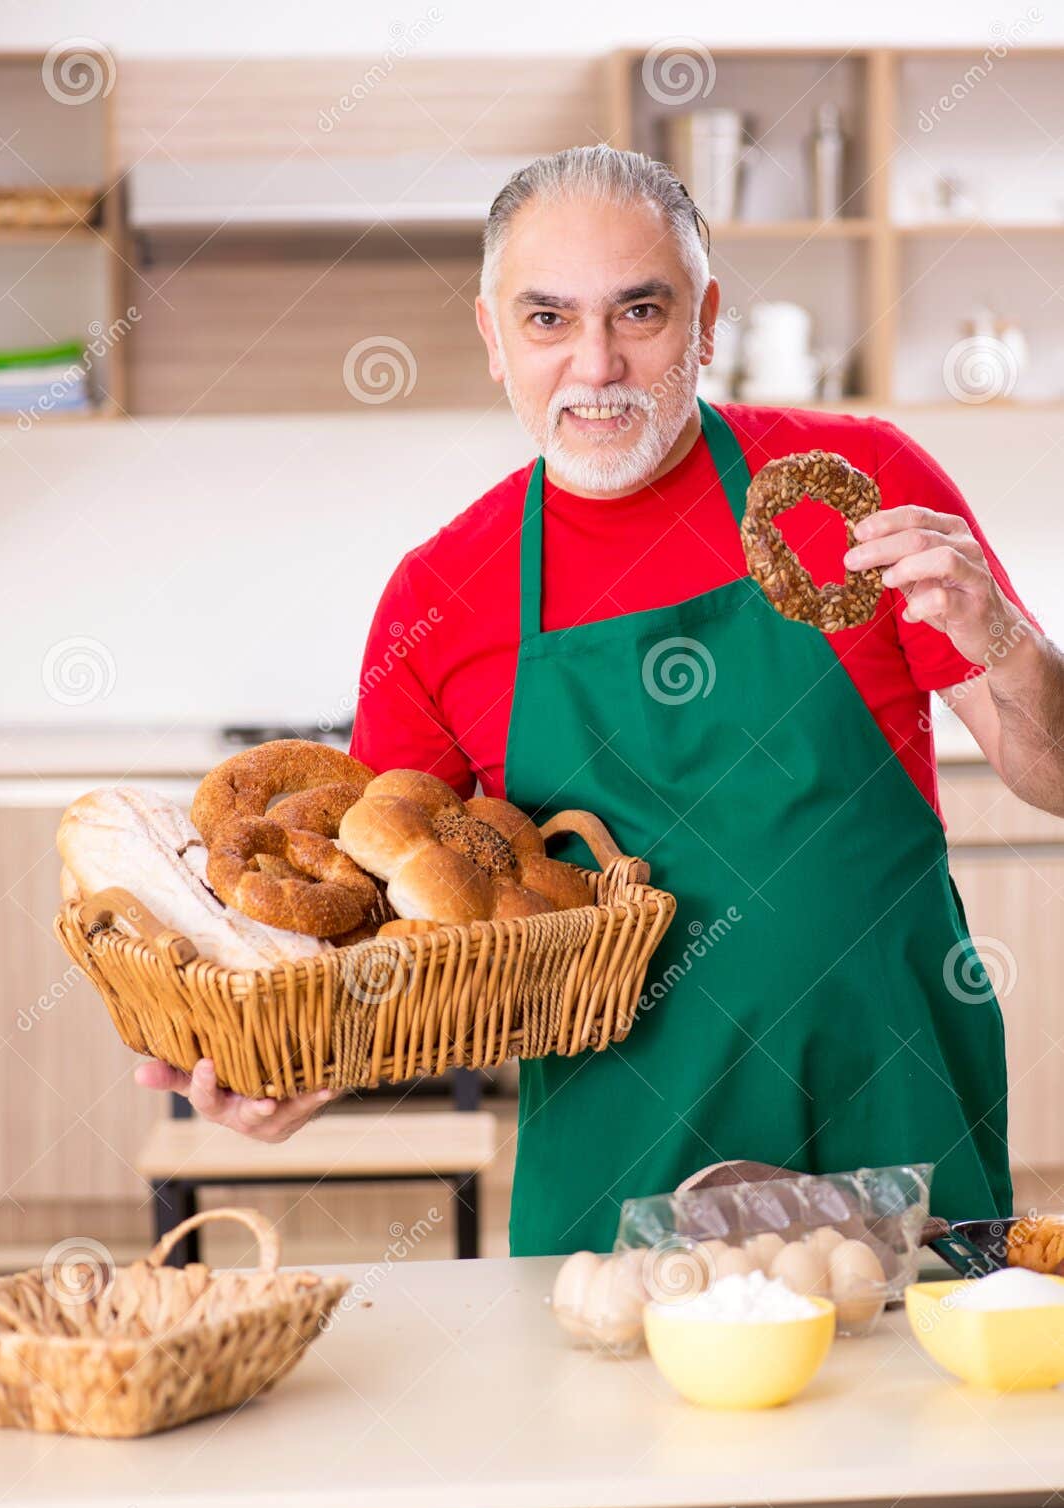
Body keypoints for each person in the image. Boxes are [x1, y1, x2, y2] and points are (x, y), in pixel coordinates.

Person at [138, 146, 1064, 1256]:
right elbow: (384, 937)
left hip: (899, 1107)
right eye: (547, 319)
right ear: (493, 336)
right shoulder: (444, 597)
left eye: (641, 310)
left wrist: (1008, 646)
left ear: (708, 318)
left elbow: (1048, 773)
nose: (597, 363)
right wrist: (297, 1069)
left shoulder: (857, 489)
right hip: (627, 1167)